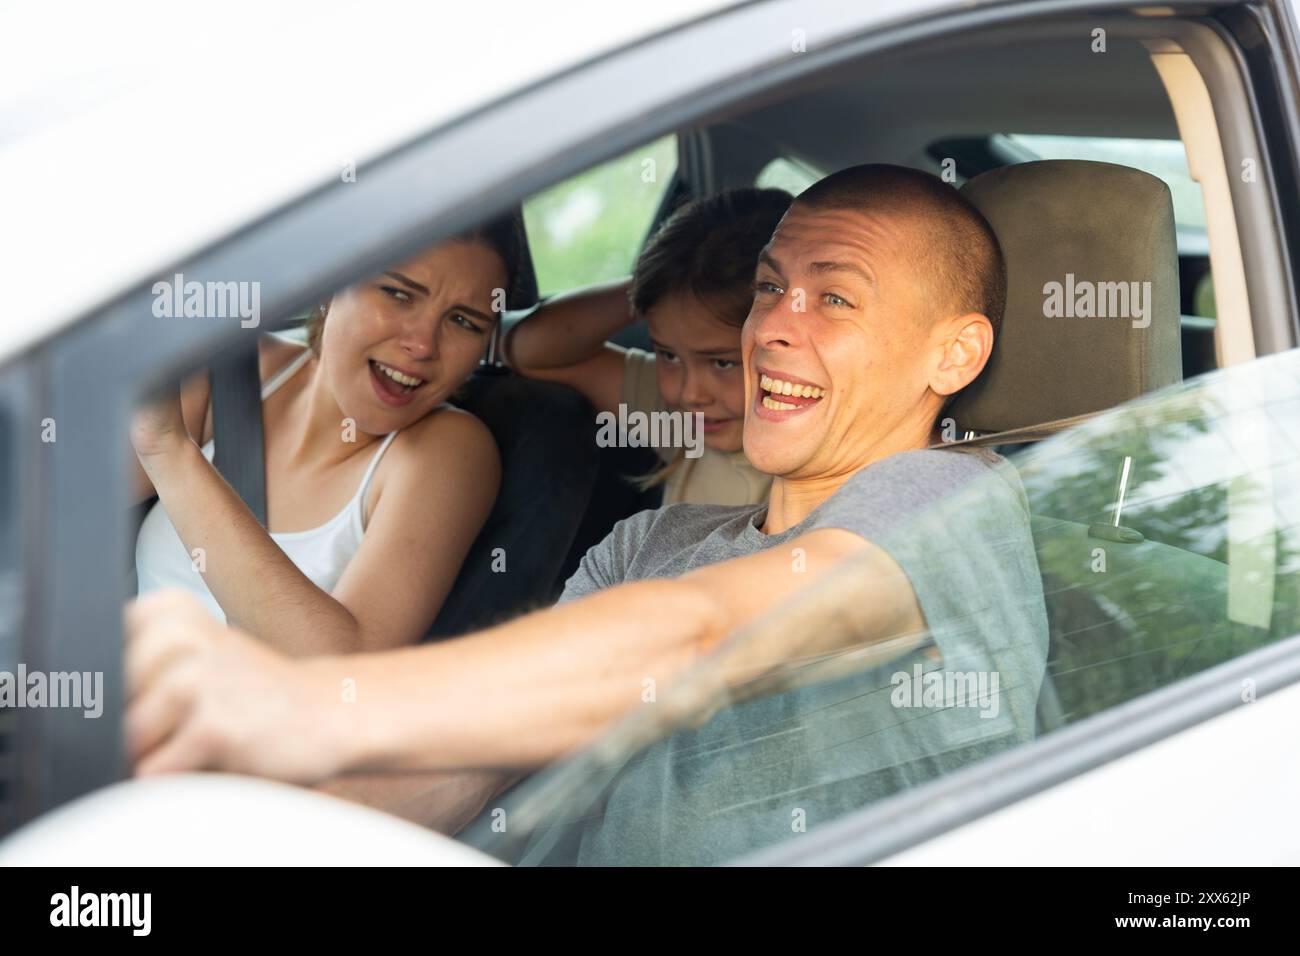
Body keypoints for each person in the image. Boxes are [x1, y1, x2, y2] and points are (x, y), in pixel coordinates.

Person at [124, 165, 1048, 859]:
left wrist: (311, 703)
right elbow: (472, 754)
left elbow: (691, 636)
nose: (769, 328)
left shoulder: (951, 499)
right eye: (770, 289)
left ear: (954, 356)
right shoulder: (650, 542)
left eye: (834, 298)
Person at [131, 217, 527, 655]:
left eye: (463, 322)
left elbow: (345, 665)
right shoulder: (233, 370)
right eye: (399, 294)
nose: (424, 345)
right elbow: (77, 501)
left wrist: (168, 450)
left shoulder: (448, 452)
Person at [505, 188, 792, 505]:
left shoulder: (831, 478)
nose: (689, 394)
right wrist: (665, 283)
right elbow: (529, 350)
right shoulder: (682, 426)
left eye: (722, 363)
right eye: (668, 355)